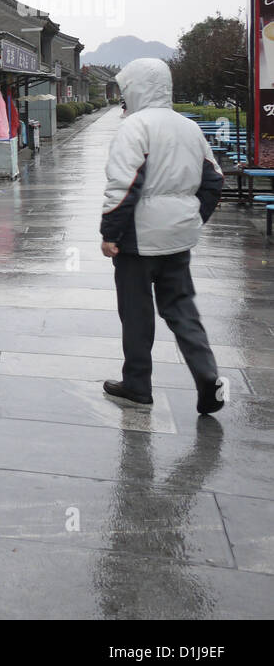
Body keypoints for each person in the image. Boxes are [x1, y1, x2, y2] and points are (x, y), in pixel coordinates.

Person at [100, 58, 226, 415]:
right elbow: (214, 180)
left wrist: (111, 232)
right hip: (178, 238)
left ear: (137, 87)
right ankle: (207, 376)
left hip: (138, 241)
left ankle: (138, 385)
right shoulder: (189, 128)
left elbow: (124, 186)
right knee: (182, 308)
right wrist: (192, 219)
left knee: (137, 312)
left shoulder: (134, 127)